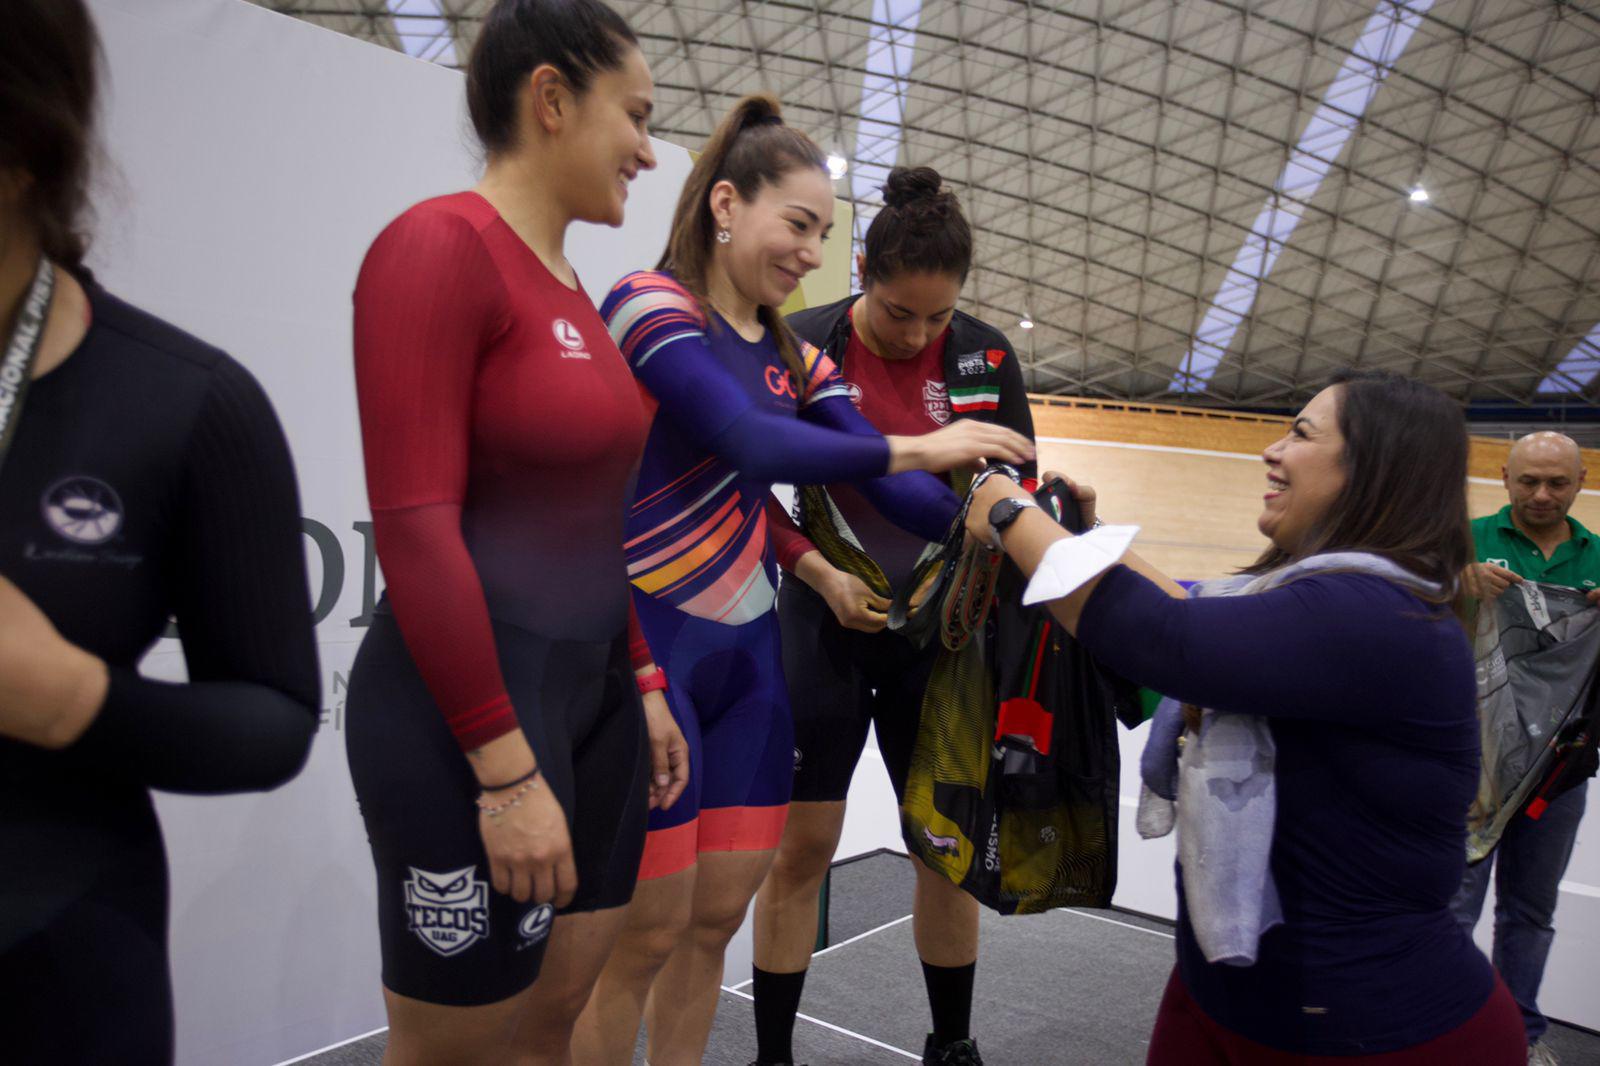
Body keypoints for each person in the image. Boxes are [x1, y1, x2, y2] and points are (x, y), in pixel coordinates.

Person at [574, 96, 1033, 1066]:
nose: (808, 248)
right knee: (641, 936)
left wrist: (1016, 535)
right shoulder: (651, 307)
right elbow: (744, 439)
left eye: (822, 230)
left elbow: (873, 473)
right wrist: (926, 447)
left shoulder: (790, 350)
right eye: (800, 224)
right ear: (727, 205)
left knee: (705, 930)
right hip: (656, 661)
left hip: (743, 667)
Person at [967, 370, 1526, 1064]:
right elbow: (1200, 612)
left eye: (1301, 433)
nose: (1272, 450)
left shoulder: (1379, 616)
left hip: (1375, 1029)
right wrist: (1085, 534)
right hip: (1231, 1001)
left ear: (1371, 467)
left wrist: (1006, 514)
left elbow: (1168, 639)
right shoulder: (1344, 601)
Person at [345, 2, 684, 1062]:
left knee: (551, 1027)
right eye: (632, 115)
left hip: (591, 705)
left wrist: (639, 680)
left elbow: (589, 527)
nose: (646, 147)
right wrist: (504, 769)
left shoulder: (578, 297)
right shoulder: (437, 247)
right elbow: (413, 529)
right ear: (550, 99)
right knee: (460, 1050)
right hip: (473, 721)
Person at [0, 2, 322, 1063]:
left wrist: (70, 699)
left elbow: (276, 719)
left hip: (59, 971)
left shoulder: (187, 404)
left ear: (22, 144)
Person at [750, 164, 1035, 1066]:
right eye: (898, 312)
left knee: (943, 852)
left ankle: (951, 1045)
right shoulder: (794, 342)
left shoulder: (988, 359)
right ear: (861, 269)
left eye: (938, 317)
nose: (917, 335)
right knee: (803, 849)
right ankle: (772, 1055)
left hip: (940, 639)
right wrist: (818, 575)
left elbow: (1016, 491)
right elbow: (740, 486)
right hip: (824, 618)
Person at [1454, 431, 1597, 1066]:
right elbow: (1406, 616)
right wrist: (1456, 585)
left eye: (1557, 483)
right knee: (1452, 905)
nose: (1542, 495)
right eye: (1529, 481)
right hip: (1470, 762)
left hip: (1559, 771)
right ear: (1503, 476)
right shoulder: (1461, 542)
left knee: (1530, 912)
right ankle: (1443, 1032)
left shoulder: (1598, 555)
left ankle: (1519, 1039)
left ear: (1582, 479)